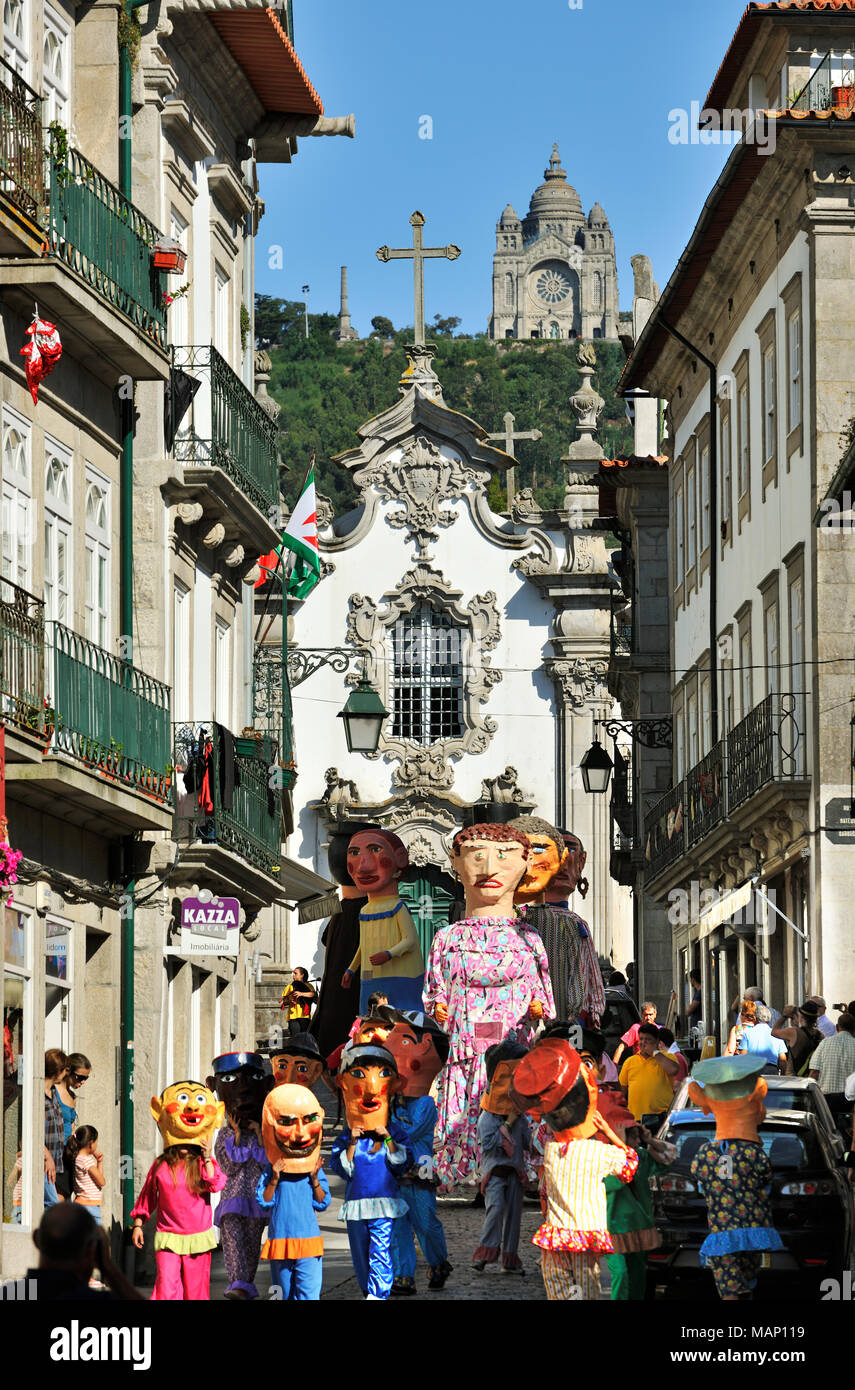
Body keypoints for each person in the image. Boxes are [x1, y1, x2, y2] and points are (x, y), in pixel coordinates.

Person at [423, 822, 555, 1192]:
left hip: (514, 1049)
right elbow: (434, 991)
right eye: (476, 856)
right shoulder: (446, 938)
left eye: (504, 856)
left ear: (525, 863)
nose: (489, 869)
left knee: (514, 1103)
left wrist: (536, 1008)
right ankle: (466, 1168)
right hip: (465, 1048)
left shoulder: (528, 937)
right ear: (456, 863)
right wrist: (439, 1008)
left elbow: (543, 993)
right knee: (467, 1107)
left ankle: (518, 1168)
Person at [510, 1037, 639, 1300]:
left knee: (563, 1295)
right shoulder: (598, 1153)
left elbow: (543, 1190)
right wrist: (609, 1132)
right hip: (584, 1240)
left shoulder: (551, 1152)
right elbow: (630, 1163)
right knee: (586, 1293)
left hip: (555, 1240)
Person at [688, 1056, 784, 1300]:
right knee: (747, 1286)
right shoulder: (755, 1154)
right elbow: (765, 1180)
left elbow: (701, 1183)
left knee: (731, 1291)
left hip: (723, 1235)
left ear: (708, 1105)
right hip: (754, 1234)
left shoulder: (705, 1154)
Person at [329, 1041, 413, 1301]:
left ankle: (379, 1294)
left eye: (383, 1075)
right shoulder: (346, 1138)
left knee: (380, 1249)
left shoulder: (395, 1133)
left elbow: (402, 1164)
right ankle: (369, 1291)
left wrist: (387, 1139)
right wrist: (353, 1142)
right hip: (356, 1204)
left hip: (384, 1202)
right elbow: (344, 1170)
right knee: (360, 1252)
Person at [377, 1008, 452, 1295]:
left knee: (425, 1221)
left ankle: (438, 1262)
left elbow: (406, 1134)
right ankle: (403, 1275)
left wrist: (385, 1127)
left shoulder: (425, 1105)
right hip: (393, 1170)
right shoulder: (391, 1101)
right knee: (398, 1224)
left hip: (419, 1168)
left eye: (403, 1040)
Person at [131, 1080, 226, 1300]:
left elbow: (215, 1184)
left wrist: (205, 1156)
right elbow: (147, 1196)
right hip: (168, 1236)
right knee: (166, 1288)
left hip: (197, 1237)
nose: (191, 1108)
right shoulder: (161, 1165)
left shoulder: (204, 1162)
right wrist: (138, 1224)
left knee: (195, 1292)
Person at [511, 817, 604, 1025]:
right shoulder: (515, 919)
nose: (563, 863)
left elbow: (584, 984)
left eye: (570, 851)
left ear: (581, 862)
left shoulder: (571, 924)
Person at [257, 1083, 331, 1300]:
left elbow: (323, 1202)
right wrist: (275, 1178)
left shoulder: (314, 1171)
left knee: (309, 1295)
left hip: (308, 1241)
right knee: (282, 1295)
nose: (300, 1133)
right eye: (286, 1122)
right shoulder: (270, 1171)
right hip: (281, 1240)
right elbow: (263, 1201)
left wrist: (315, 1178)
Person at [207, 1050, 272, 1300]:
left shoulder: (264, 1136)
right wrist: (236, 1136)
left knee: (252, 1246)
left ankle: (247, 1283)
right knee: (232, 1244)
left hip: (255, 1202)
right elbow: (229, 1165)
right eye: (230, 1080)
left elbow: (266, 1162)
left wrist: (257, 1136)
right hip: (232, 1201)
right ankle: (237, 1284)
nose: (243, 1090)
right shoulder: (224, 1136)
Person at [341, 829, 425, 1013]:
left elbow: (410, 941)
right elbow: (364, 945)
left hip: (402, 975)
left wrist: (389, 954)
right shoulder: (365, 910)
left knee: (402, 1016)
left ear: (400, 859)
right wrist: (351, 970)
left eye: (375, 850)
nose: (364, 866)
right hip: (370, 975)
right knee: (370, 1016)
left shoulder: (397, 907)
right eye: (354, 853)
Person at [602, 1110, 676, 1301]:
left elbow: (670, 1157)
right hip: (614, 1229)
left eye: (638, 1137)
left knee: (638, 1279)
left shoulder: (641, 1156)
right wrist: (619, 1144)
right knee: (620, 1274)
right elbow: (616, 1182)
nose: (637, 1141)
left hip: (639, 1228)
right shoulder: (606, 1160)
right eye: (633, 1137)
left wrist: (650, 1140)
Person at [0, 1203, 143, 1301]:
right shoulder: (92, 1299)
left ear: (36, 1239)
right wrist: (107, 1265)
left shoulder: (11, 1294)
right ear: (92, 1249)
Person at [472, 1040, 530, 1276]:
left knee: (514, 1217)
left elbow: (527, 1143)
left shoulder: (520, 1117)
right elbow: (488, 1145)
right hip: (495, 1174)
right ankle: (486, 1253)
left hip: (514, 1174)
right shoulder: (488, 1117)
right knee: (494, 1211)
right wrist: (506, 1127)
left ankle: (510, 1258)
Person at [619, 1023, 677, 1125]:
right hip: (636, 1120)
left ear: (657, 1042)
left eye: (648, 1039)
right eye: (641, 1039)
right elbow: (621, 1092)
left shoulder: (667, 1057)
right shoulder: (630, 1061)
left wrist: (654, 1052)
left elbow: (673, 1070)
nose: (643, 1042)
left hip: (661, 1119)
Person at [808, 1013, 855, 1097]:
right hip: (851, 1101)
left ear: (837, 1027)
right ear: (854, 1029)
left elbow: (814, 1072)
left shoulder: (825, 1043)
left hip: (827, 1098)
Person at [728, 1004, 787, 1071]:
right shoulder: (776, 1035)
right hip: (771, 1070)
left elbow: (743, 1056)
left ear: (755, 1018)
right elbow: (782, 1060)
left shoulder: (747, 1033)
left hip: (753, 1070)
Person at [43, 1048, 68, 1209]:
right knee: (53, 1206)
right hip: (43, 1162)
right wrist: (47, 1157)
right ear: (58, 1071)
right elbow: (31, 1132)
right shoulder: (39, 1094)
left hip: (53, 1164)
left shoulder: (53, 1092)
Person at [772, 1000, 824, 1076]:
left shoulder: (794, 1032)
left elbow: (774, 1031)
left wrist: (785, 1015)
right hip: (811, 1078)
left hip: (794, 1079)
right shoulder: (821, 1035)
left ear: (801, 1016)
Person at [67, 1125, 105, 1223]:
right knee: (95, 1237)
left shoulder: (77, 1159)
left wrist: (99, 1161)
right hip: (90, 1207)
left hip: (80, 1204)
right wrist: (100, 1163)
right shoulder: (87, 1161)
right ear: (91, 1144)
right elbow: (101, 1181)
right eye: (97, 1142)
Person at [612, 1002, 658, 1069]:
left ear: (655, 1015)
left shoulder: (660, 1029)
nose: (648, 1017)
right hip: (639, 1068)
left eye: (650, 1014)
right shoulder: (635, 1028)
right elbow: (621, 1047)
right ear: (642, 1015)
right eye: (646, 1015)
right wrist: (614, 1067)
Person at [280, 967, 318, 1037]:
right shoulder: (290, 987)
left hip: (304, 1016)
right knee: (295, 1038)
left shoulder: (309, 986)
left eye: (295, 973)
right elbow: (284, 1002)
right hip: (293, 1017)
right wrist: (289, 1000)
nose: (293, 975)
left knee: (305, 1038)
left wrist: (301, 993)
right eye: (293, 973)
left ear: (302, 975)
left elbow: (312, 994)